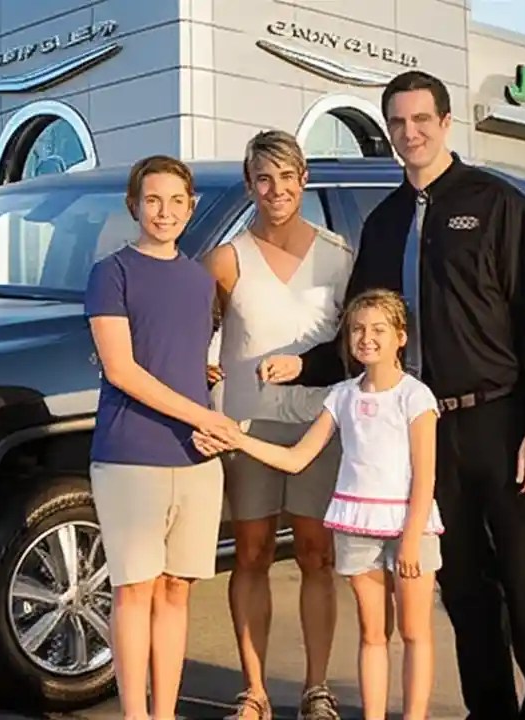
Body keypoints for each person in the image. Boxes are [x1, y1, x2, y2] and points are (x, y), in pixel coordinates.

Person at [257, 70, 525, 720]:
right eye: (398, 123)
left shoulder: (495, 204)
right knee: (462, 588)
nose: (410, 134)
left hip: (505, 421)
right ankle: (490, 710)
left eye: (421, 120)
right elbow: (362, 331)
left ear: (445, 123)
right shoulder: (384, 224)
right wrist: (303, 365)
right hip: (425, 434)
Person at [197, 288, 442, 720]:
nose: (367, 338)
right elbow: (297, 458)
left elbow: (425, 475)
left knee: (414, 630)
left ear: (400, 337)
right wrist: (239, 439)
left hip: (410, 528)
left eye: (379, 330)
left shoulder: (415, 396)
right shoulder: (342, 395)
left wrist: (409, 538)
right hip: (356, 524)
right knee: (372, 633)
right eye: (358, 330)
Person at [200, 130, 350, 720]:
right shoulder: (227, 259)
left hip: (319, 426)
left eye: (287, 177)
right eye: (264, 178)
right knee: (252, 554)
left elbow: (355, 343)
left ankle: (317, 689)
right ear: (249, 185)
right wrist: (203, 372)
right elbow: (195, 334)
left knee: (317, 554)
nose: (277, 189)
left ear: (303, 180)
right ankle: (254, 692)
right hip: (247, 427)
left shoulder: (339, 256)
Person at [85, 154, 240, 720]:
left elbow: (191, 361)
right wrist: (201, 416)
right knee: (135, 590)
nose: (165, 211)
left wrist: (209, 407)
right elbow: (122, 369)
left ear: (191, 206)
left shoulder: (200, 280)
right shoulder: (112, 273)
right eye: (153, 200)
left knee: (177, 588)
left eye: (177, 201)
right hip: (131, 457)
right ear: (134, 206)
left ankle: (165, 711)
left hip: (196, 460)